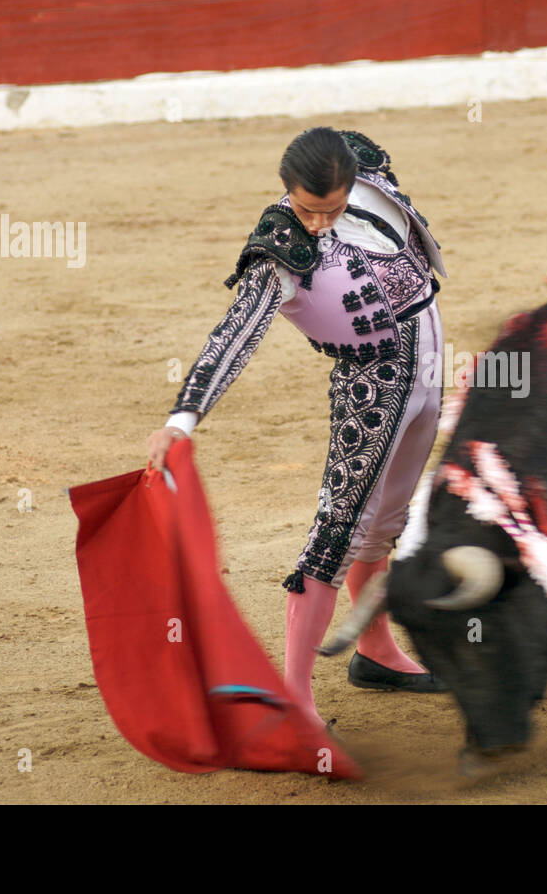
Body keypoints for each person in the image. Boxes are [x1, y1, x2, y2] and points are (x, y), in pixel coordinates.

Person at [146, 127, 448, 729]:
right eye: (309, 209)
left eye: (332, 209)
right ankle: (294, 701)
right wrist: (183, 419)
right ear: (289, 192)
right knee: (336, 532)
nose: (318, 223)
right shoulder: (281, 243)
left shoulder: (369, 174)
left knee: (388, 520)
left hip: (429, 372)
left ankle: (376, 651)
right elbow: (236, 332)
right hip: (372, 386)